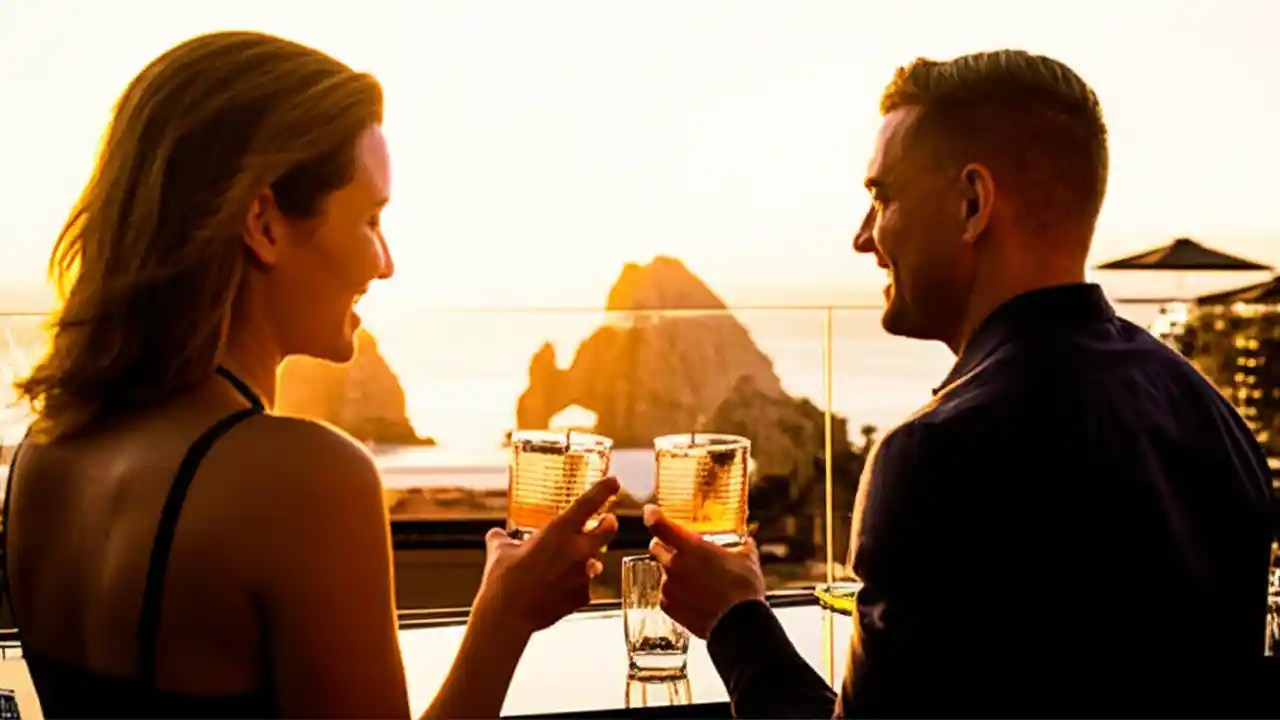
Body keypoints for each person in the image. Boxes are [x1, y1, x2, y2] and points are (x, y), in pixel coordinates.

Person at [2, 31, 619, 719]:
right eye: (371, 219)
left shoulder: (45, 451)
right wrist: (504, 619)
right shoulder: (305, 478)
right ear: (263, 222)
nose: (384, 262)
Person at [647, 49, 1274, 717]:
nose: (864, 238)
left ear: (972, 203)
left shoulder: (939, 453)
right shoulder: (1210, 416)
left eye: (882, 197)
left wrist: (737, 618)